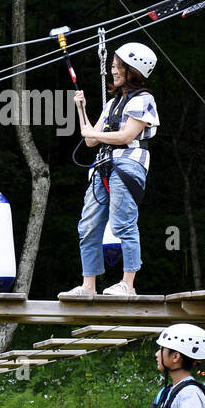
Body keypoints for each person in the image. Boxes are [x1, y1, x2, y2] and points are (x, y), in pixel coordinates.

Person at [61, 42, 159, 298]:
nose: (113, 71)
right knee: (88, 225)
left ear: (132, 70)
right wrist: (81, 110)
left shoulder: (144, 99)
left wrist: (95, 133)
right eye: (113, 66)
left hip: (127, 164)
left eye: (118, 67)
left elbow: (127, 135)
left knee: (123, 224)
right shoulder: (112, 104)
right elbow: (91, 139)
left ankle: (128, 284)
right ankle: (88, 285)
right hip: (103, 165)